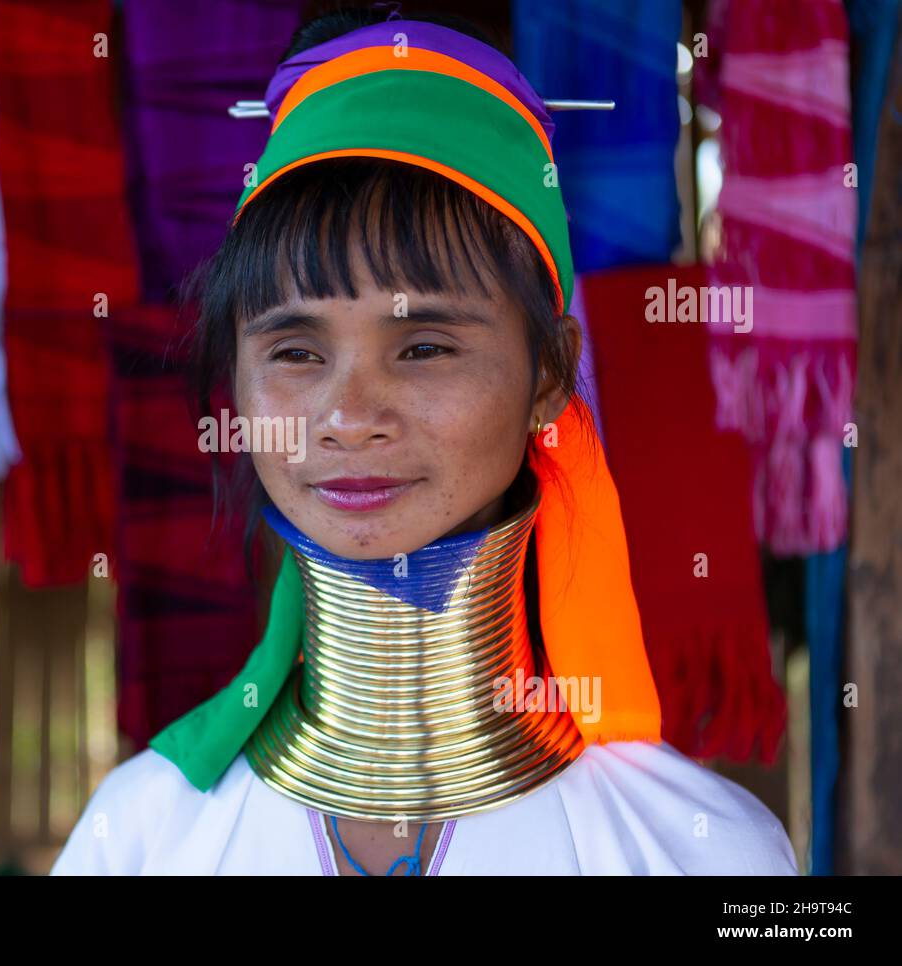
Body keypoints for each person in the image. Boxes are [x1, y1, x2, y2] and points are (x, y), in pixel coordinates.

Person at [51, 7, 799, 876]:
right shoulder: (140, 838)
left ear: (550, 375)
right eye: (295, 352)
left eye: (424, 347)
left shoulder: (701, 852)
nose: (349, 415)